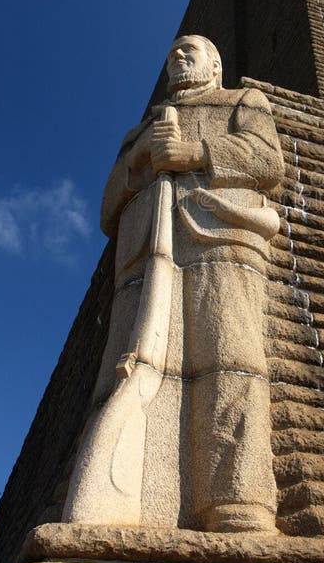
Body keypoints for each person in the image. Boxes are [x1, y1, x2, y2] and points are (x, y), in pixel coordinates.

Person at [63, 35, 284, 532]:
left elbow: (269, 164)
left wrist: (193, 152)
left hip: (218, 234)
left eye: (189, 50)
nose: (177, 58)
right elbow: (106, 211)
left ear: (215, 63)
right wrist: (140, 159)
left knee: (232, 359)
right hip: (142, 256)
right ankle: (114, 498)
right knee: (127, 367)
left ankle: (236, 500)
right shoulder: (137, 134)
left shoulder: (241, 102)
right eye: (171, 55)